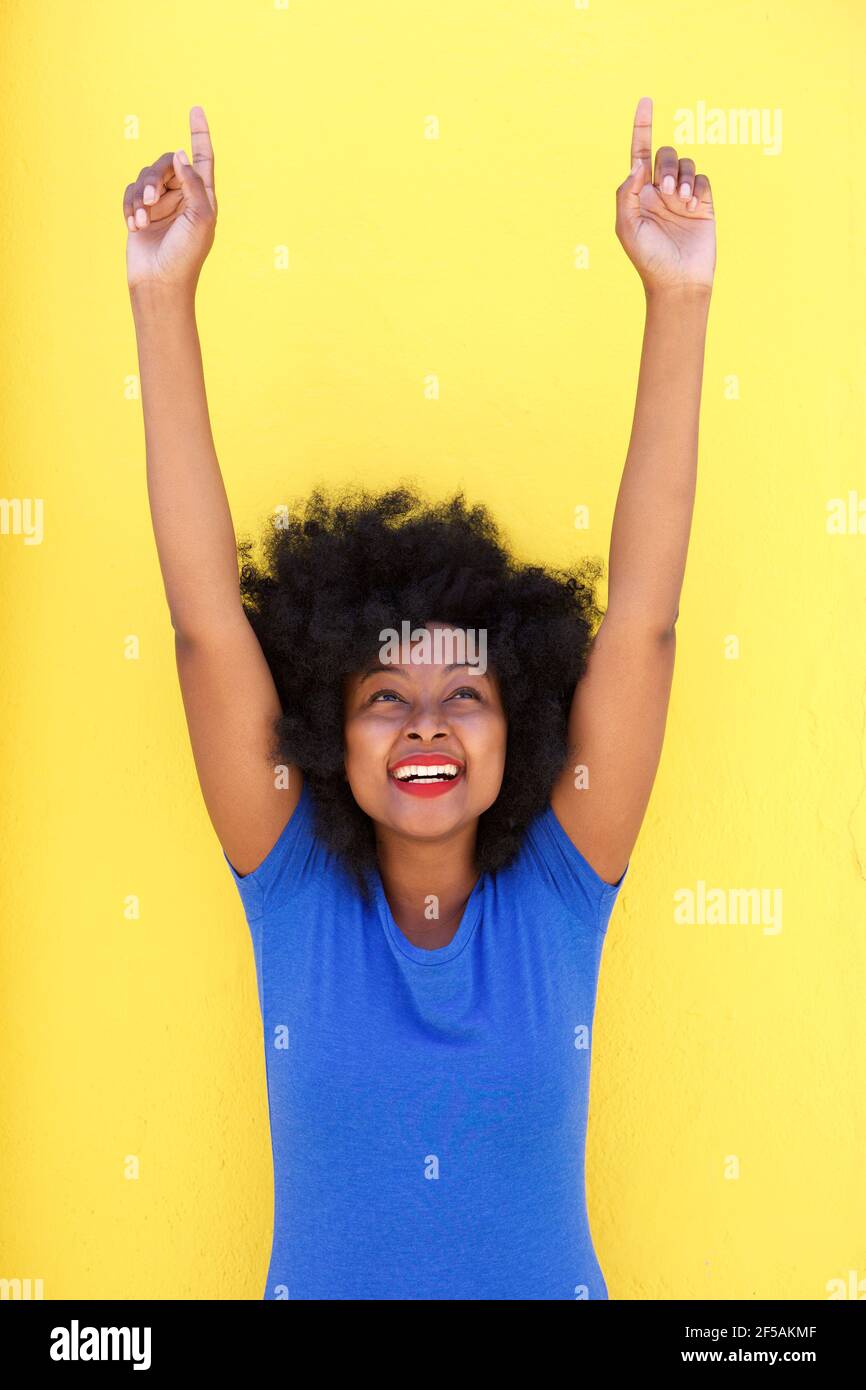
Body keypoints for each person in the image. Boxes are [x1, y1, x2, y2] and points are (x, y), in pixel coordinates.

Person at [123, 97, 715, 1299]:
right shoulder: (292, 892)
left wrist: (679, 298)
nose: (429, 721)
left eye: (466, 693)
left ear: (529, 728)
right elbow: (201, 627)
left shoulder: (559, 893)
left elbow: (643, 627)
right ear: (323, 736)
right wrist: (160, 295)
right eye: (385, 693)